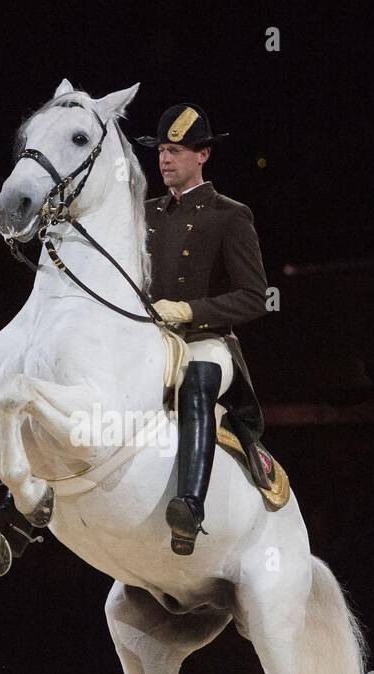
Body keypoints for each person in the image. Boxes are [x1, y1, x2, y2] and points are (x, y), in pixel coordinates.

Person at [135, 103, 270, 555]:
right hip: (148, 340)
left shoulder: (229, 215)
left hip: (204, 340)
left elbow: (254, 296)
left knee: (196, 381)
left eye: (175, 150)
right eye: (161, 151)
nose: (165, 159)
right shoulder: (145, 213)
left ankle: (190, 506)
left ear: (203, 155)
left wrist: (189, 311)